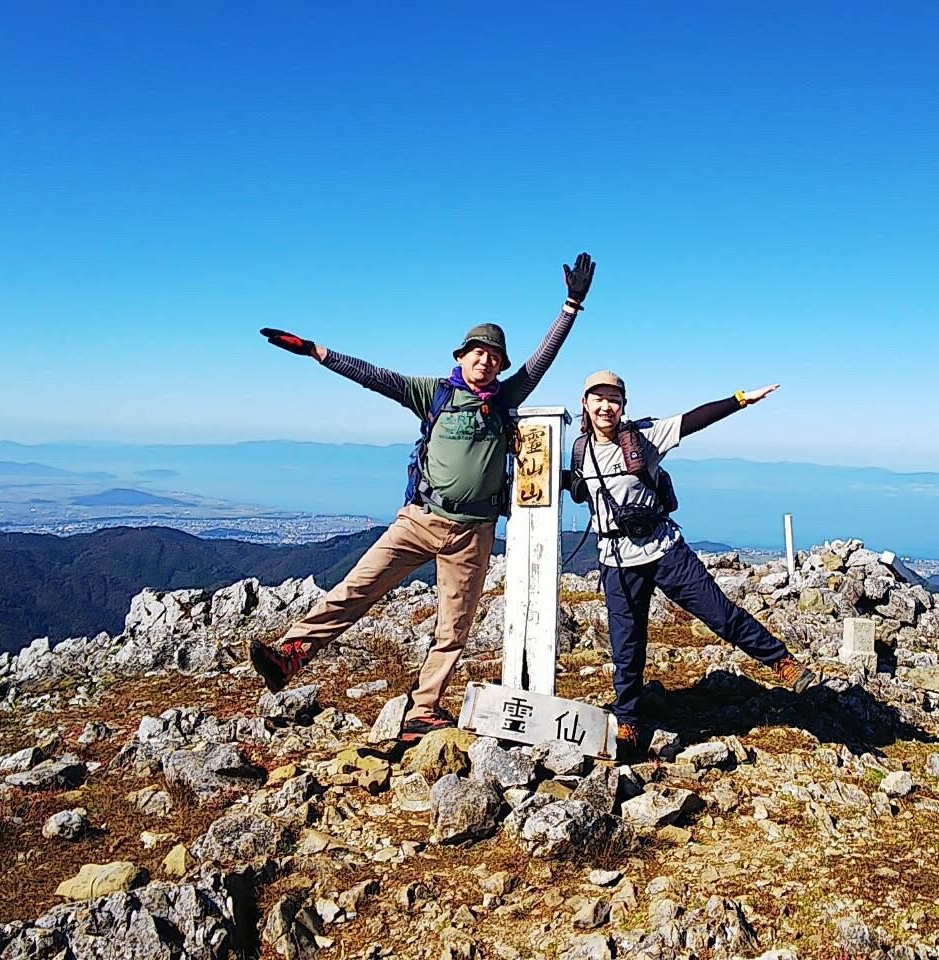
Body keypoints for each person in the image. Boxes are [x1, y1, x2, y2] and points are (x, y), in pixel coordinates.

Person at [249, 253, 596, 742]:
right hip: (418, 520)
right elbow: (374, 376)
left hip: (473, 534)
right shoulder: (430, 392)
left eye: (494, 356)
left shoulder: (505, 400)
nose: (485, 359)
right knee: (357, 587)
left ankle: (424, 708)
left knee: (453, 627)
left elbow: (541, 360)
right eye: (477, 351)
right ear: (460, 356)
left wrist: (570, 306)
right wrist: (315, 351)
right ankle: (291, 654)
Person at [567, 371, 817, 759]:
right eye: (597, 398)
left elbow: (693, 420)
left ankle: (781, 661)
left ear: (623, 405)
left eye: (613, 399)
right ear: (585, 403)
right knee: (626, 645)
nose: (606, 406)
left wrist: (739, 400)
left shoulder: (643, 438)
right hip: (616, 561)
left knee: (720, 614)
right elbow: (579, 487)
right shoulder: (580, 450)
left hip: (665, 550)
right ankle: (629, 720)